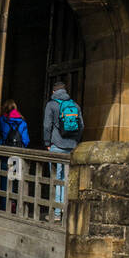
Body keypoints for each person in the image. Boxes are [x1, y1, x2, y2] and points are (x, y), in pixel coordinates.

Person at [42, 79, 83, 221]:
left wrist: (47, 142)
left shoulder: (51, 105)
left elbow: (47, 126)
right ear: (65, 91)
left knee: (56, 178)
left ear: (54, 91)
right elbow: (81, 126)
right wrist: (74, 142)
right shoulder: (75, 106)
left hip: (56, 146)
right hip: (71, 146)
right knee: (67, 179)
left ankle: (57, 213)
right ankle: (67, 212)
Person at [0, 97, 29, 214]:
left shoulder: (2, 120)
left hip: (5, 153)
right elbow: (26, 139)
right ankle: (14, 204)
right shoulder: (22, 121)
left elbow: (0, 134)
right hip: (17, 154)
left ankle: (3, 204)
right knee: (15, 178)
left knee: (5, 178)